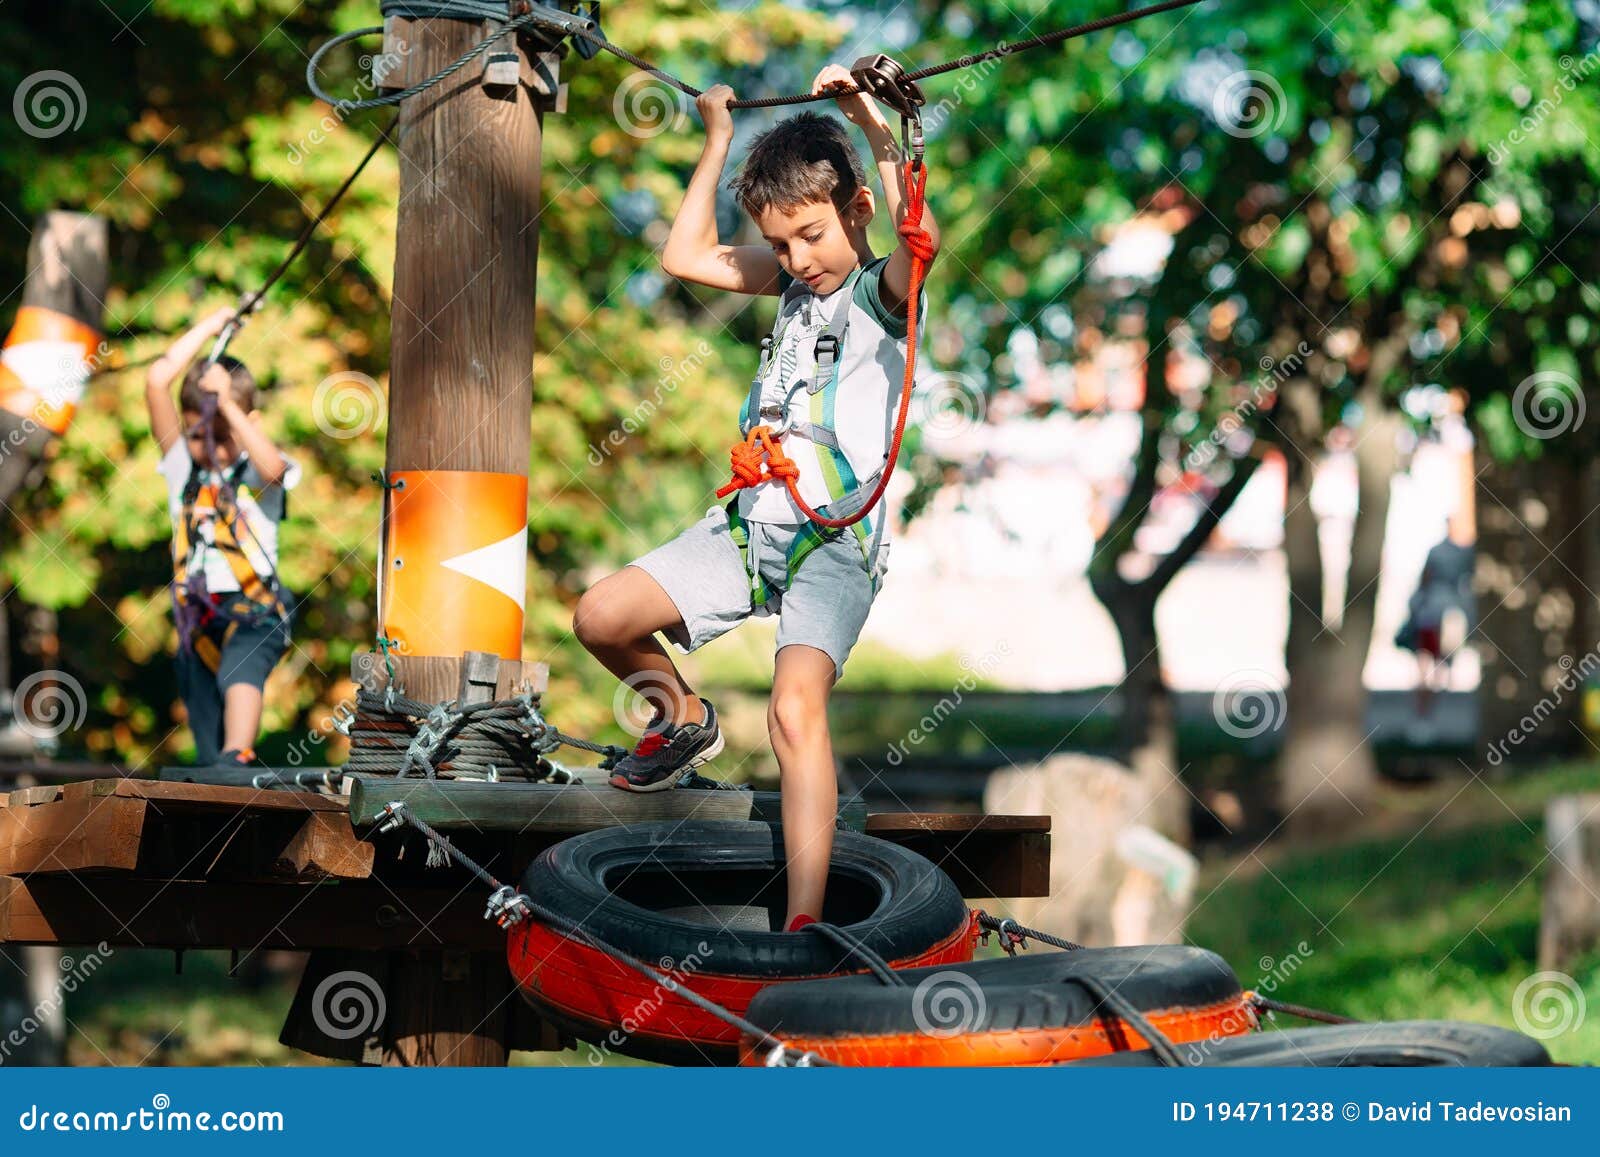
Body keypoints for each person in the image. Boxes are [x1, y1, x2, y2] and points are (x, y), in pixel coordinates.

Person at [573, 65, 939, 932]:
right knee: (601, 616)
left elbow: (918, 234)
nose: (797, 259)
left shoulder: (880, 296)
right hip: (747, 525)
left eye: (810, 235)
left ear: (852, 208)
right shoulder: (788, 285)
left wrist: (864, 117)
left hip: (833, 541)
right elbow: (684, 255)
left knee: (791, 705)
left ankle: (805, 925)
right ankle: (687, 714)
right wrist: (716, 142)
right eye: (779, 244)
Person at [145, 307, 298, 767]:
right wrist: (210, 326)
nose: (209, 447)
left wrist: (227, 403)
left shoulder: (256, 467)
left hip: (256, 605)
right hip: (197, 612)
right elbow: (157, 381)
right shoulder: (180, 466)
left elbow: (273, 470)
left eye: (223, 435)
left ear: (247, 422)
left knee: (240, 667)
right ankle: (219, 768)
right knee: (200, 702)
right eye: (198, 435)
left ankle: (239, 755)